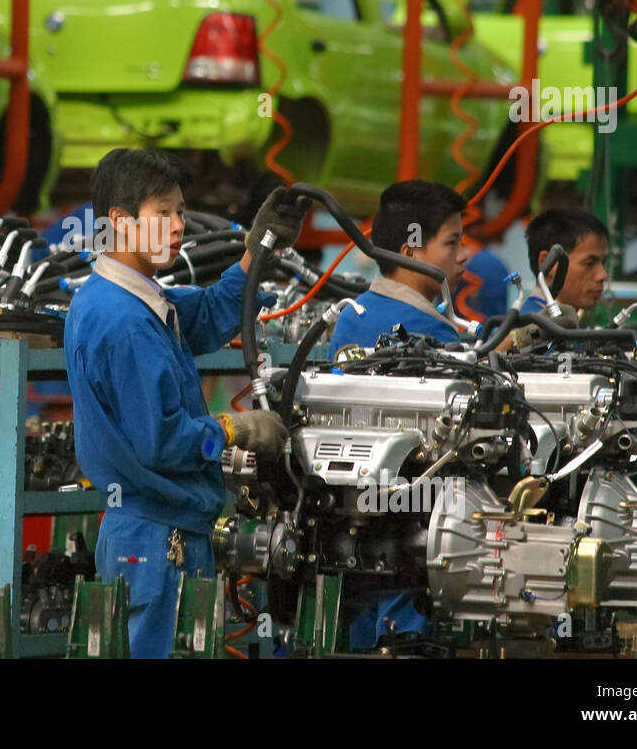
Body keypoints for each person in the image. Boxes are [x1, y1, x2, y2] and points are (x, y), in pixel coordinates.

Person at [64, 148, 303, 659]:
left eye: (180, 212)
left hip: (156, 537)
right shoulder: (126, 322)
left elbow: (215, 310)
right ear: (120, 223)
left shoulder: (133, 300)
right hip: (154, 543)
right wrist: (234, 429)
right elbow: (161, 441)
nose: (178, 227)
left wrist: (256, 254)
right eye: (163, 213)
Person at [329, 180, 470, 355]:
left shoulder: (349, 317)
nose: (463, 255)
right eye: (452, 242)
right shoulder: (431, 331)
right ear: (410, 253)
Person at [522, 208, 610, 315]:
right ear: (548, 263)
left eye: (603, 263)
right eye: (589, 263)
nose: (603, 275)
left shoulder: (557, 325)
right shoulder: (534, 328)